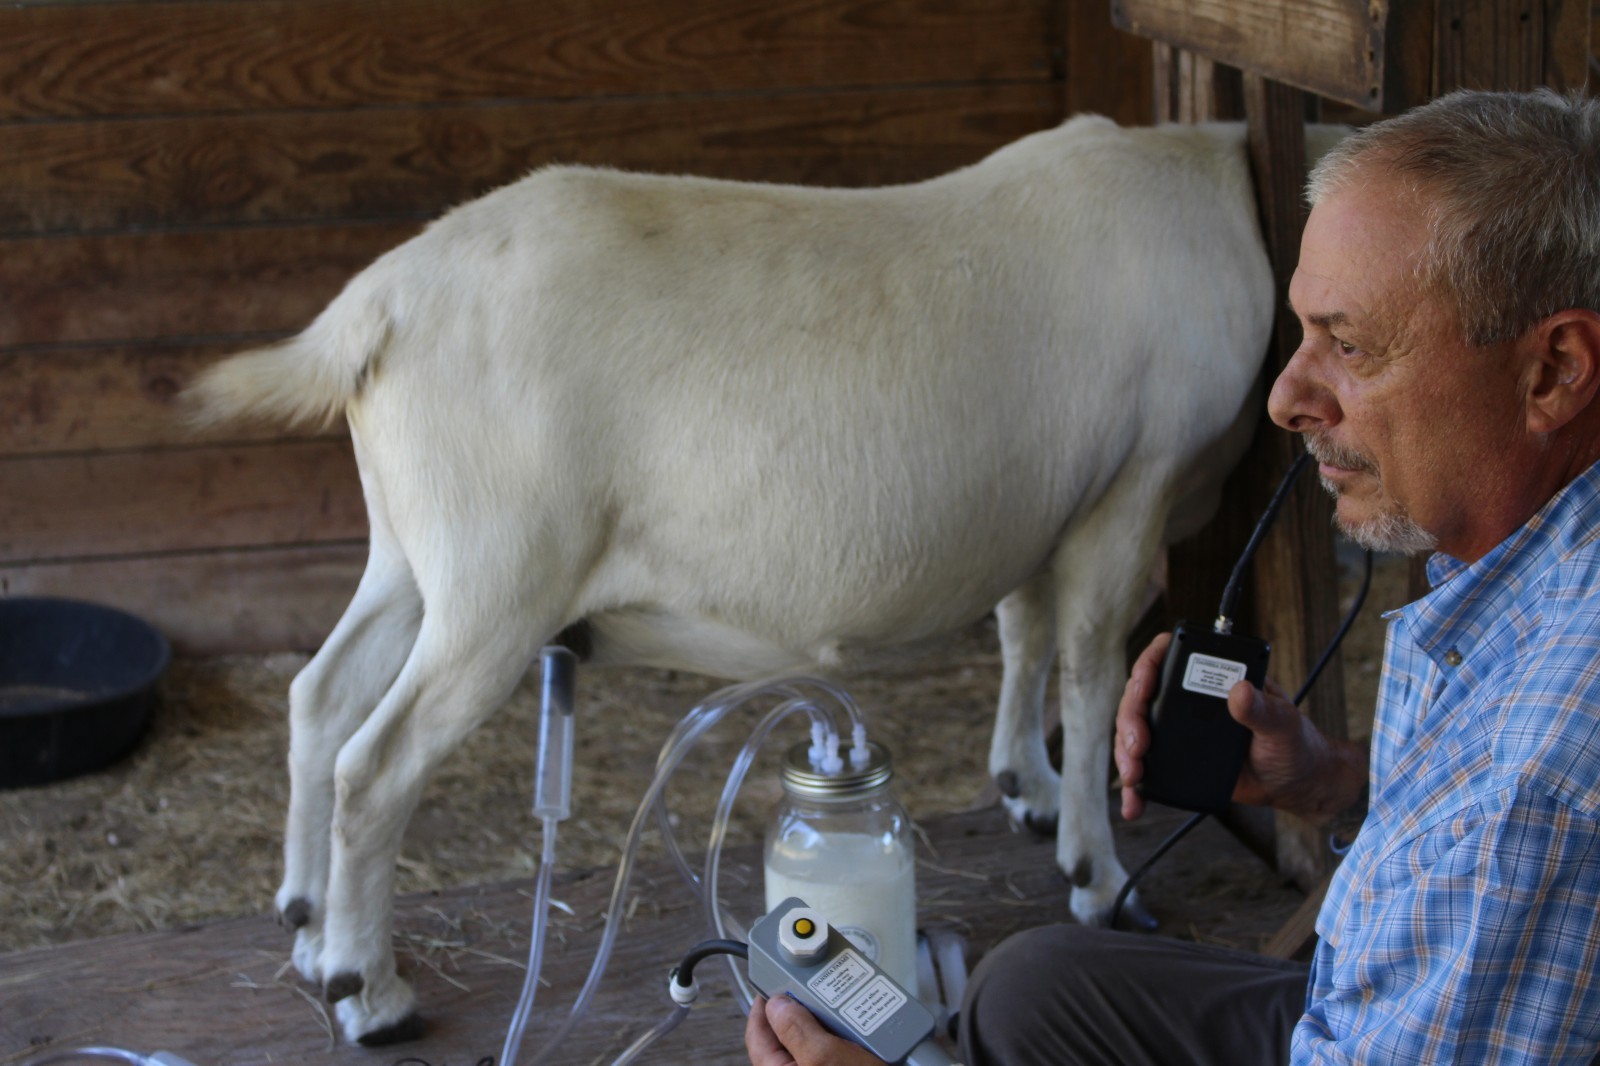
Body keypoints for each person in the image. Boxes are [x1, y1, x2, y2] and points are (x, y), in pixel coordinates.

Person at [745, 87, 1600, 1065]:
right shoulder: (1524, 558)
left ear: (1552, 371)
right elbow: (1472, 840)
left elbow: (1516, 828)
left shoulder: (1548, 787)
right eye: (1303, 333)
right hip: (1379, 1012)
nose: (1285, 396)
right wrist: (1324, 781)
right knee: (1032, 987)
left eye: (1352, 344)